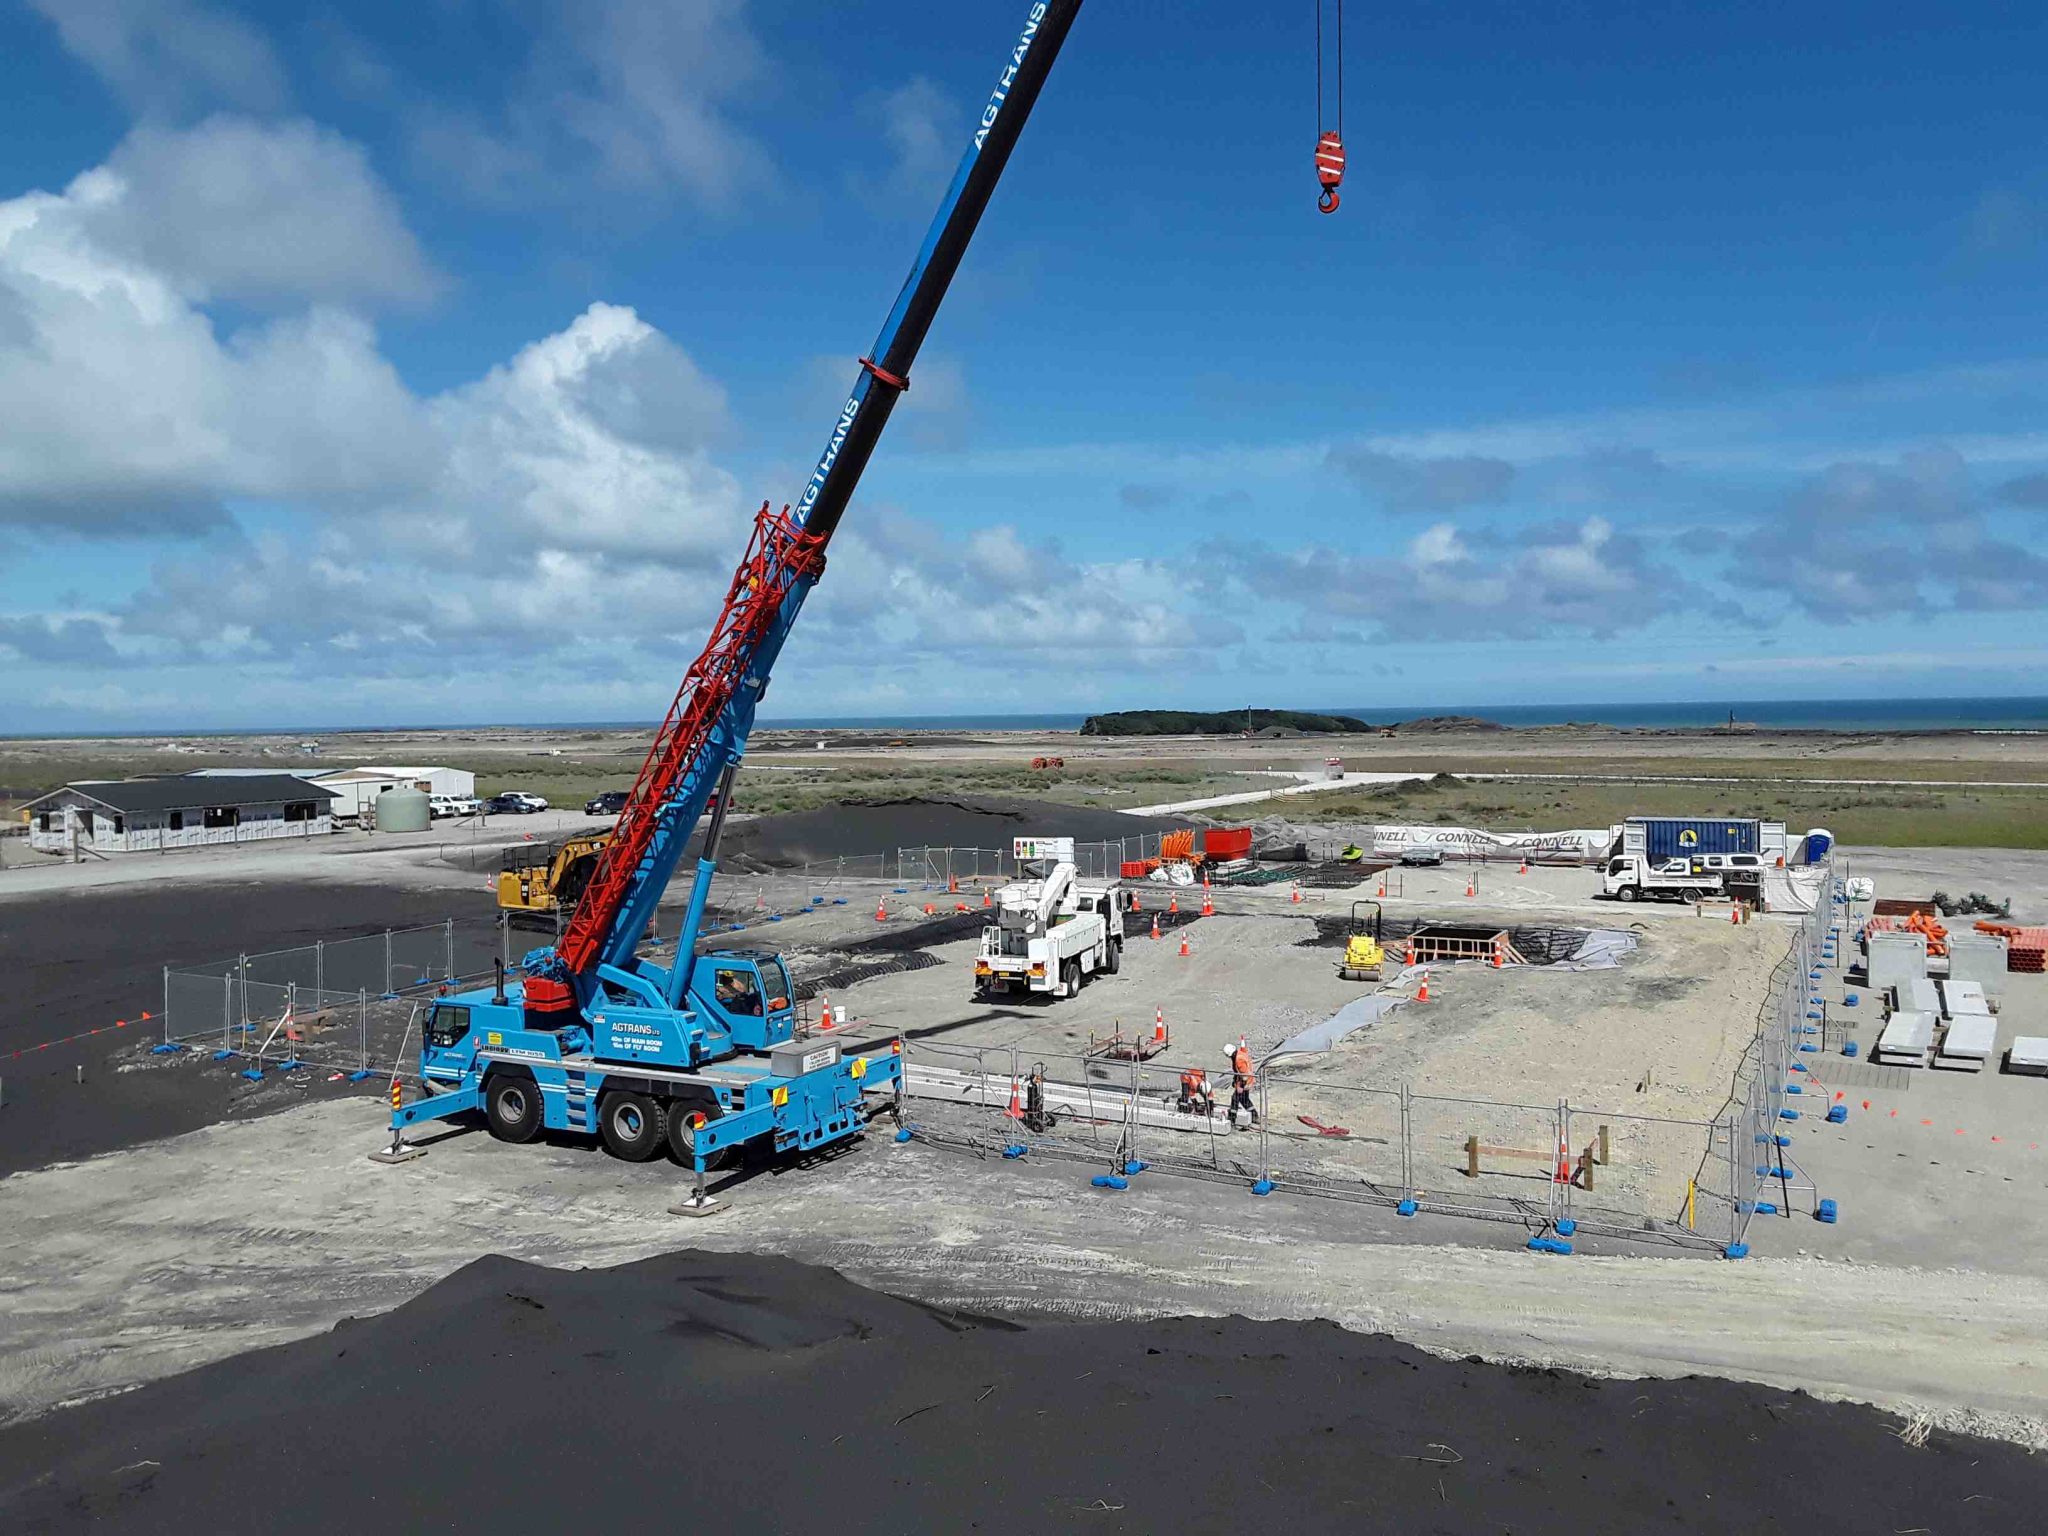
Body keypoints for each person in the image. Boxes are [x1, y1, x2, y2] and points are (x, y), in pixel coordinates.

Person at [1228, 1037, 1258, 1126]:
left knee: (1235, 1099)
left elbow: (1244, 1075)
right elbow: (1243, 1048)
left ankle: (1232, 1119)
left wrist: (1241, 1086)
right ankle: (1254, 1115)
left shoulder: (1238, 1060)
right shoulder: (1242, 1053)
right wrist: (1242, 1041)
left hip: (1245, 1082)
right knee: (1244, 1100)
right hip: (1249, 1080)